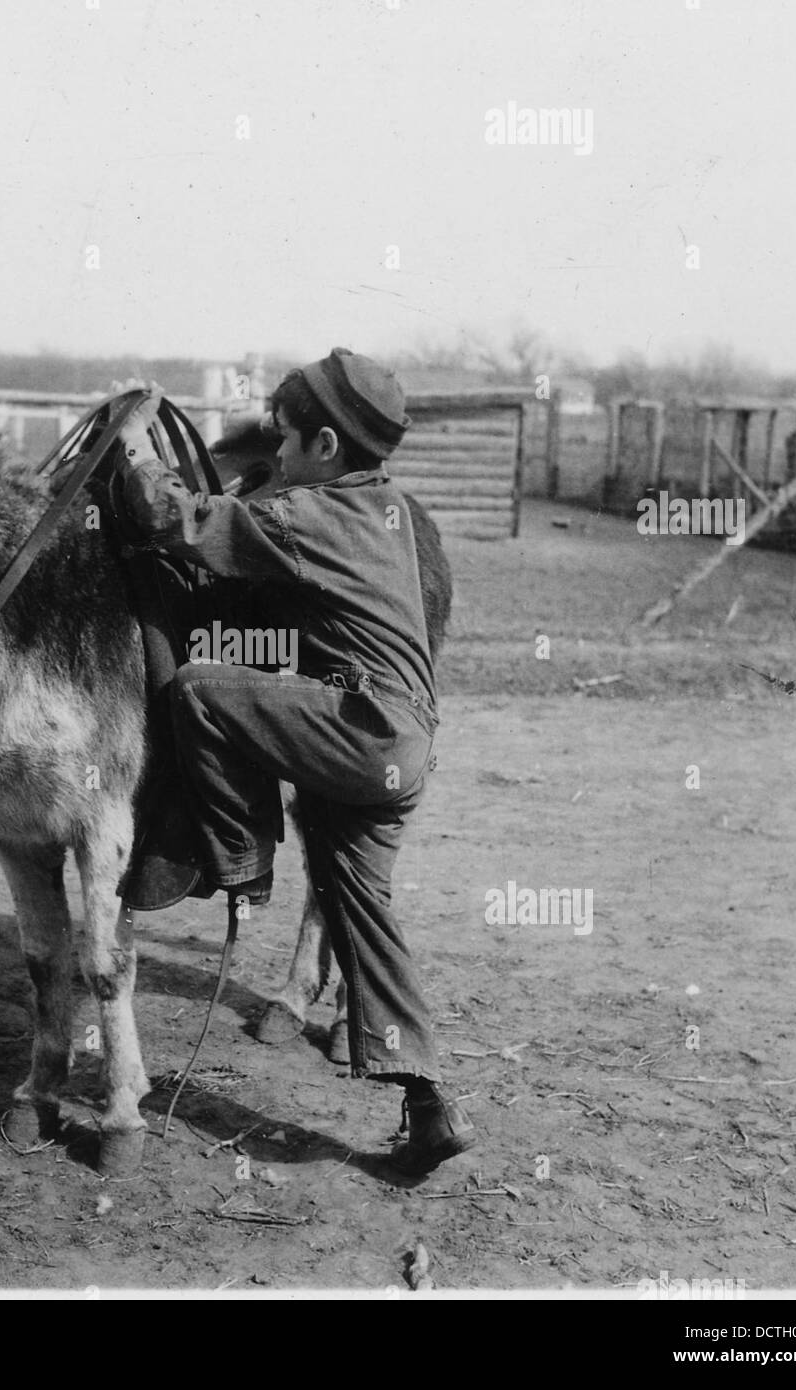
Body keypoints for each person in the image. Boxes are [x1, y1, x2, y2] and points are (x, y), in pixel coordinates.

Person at [114, 349, 476, 1178]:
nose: (271, 457)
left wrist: (138, 449)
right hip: (408, 744)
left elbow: (183, 522)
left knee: (203, 690)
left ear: (322, 447)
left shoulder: (310, 514)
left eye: (280, 440)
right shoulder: (384, 512)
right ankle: (429, 1105)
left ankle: (243, 865)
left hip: (361, 725)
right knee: (363, 909)